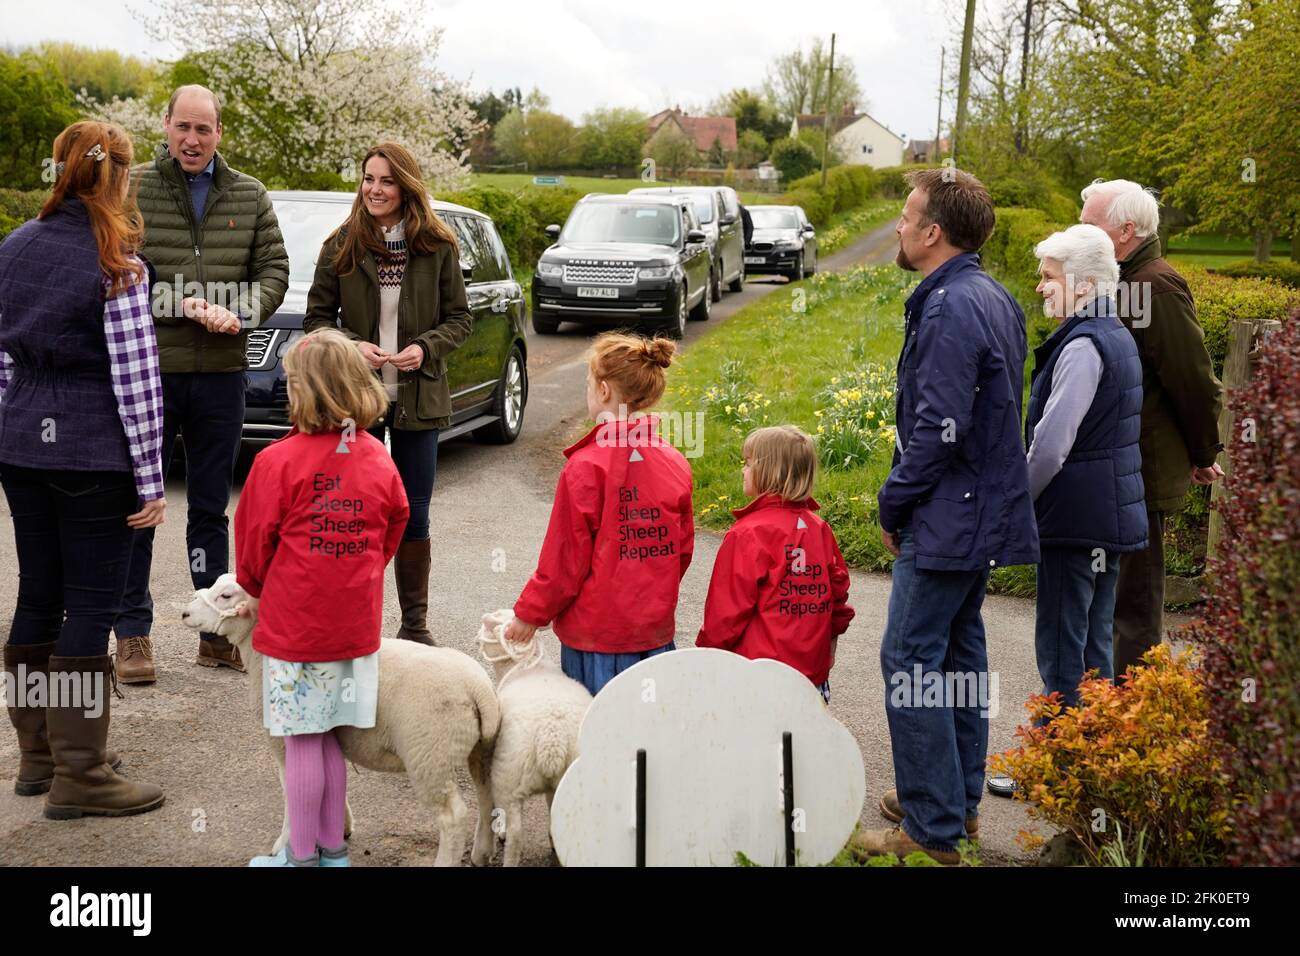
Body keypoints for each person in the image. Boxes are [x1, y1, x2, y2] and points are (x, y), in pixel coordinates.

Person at [854, 168, 1039, 865]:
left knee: (907, 657)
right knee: (958, 656)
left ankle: (930, 829)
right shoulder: (992, 295)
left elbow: (938, 427)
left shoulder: (947, 308)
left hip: (949, 515)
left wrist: (892, 501)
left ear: (933, 233)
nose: (899, 227)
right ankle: (954, 802)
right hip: (981, 512)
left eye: (907, 216)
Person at [0, 120, 166, 818]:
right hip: (95, 453)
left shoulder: (13, 246)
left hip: (19, 446)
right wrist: (152, 477)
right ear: (119, 177)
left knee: (38, 592)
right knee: (91, 606)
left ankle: (39, 757)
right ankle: (81, 774)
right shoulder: (117, 261)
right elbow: (135, 379)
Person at [113, 84, 289, 683]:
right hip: (149, 374)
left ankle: (214, 632)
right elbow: (110, 267)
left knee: (211, 508)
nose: (192, 140)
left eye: (204, 130)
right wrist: (178, 303)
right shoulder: (130, 187)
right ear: (165, 125)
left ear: (220, 133)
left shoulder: (251, 194)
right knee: (139, 505)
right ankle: (132, 633)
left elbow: (275, 272)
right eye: (182, 127)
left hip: (220, 375)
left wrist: (238, 310)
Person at [234, 330, 409, 867]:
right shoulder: (377, 456)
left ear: (303, 392)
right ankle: (333, 850)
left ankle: (301, 854)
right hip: (354, 627)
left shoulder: (276, 462)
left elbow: (250, 551)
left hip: (297, 631)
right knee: (330, 735)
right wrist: (361, 570)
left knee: (302, 741)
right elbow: (398, 520)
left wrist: (262, 591)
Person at [304, 142, 472, 646]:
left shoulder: (438, 245)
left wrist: (425, 347)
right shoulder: (340, 245)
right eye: (368, 179)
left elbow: (460, 319)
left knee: (414, 513)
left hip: (420, 399)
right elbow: (316, 321)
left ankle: (414, 627)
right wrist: (353, 347)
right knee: (358, 516)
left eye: (386, 181)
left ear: (406, 187)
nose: (374, 189)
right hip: (357, 403)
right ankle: (359, 625)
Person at [1079, 180, 1223, 679]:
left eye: (1089, 223)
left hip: (1141, 472)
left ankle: (1134, 728)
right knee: (1109, 600)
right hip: (1117, 468)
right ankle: (1102, 714)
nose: (1079, 231)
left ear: (1124, 231)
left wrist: (1204, 451)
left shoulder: (1153, 286)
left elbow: (1192, 378)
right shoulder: (1121, 279)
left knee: (1134, 607)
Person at [505, 333, 694, 697]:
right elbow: (680, 552)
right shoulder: (675, 463)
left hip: (595, 640)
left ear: (604, 391)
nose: (588, 391)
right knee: (649, 739)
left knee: (595, 734)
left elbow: (563, 563)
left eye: (589, 383)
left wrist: (529, 614)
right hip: (653, 636)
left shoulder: (585, 467)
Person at [1025, 226, 1150, 704]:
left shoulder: (1081, 345)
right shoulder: (1115, 334)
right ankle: (1095, 755)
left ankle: (1056, 761)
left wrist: (1017, 501)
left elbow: (1052, 445)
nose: (1040, 286)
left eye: (1048, 277)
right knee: (1094, 645)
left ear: (1081, 284)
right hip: (1106, 514)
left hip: (1073, 520)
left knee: (1062, 647)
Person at [696, 425, 853, 702]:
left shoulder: (747, 534)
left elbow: (725, 613)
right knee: (801, 744)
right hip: (809, 680)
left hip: (757, 681)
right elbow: (837, 598)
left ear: (770, 472)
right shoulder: (819, 529)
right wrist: (830, 647)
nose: (742, 470)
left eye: (747, 463)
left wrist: (707, 657)